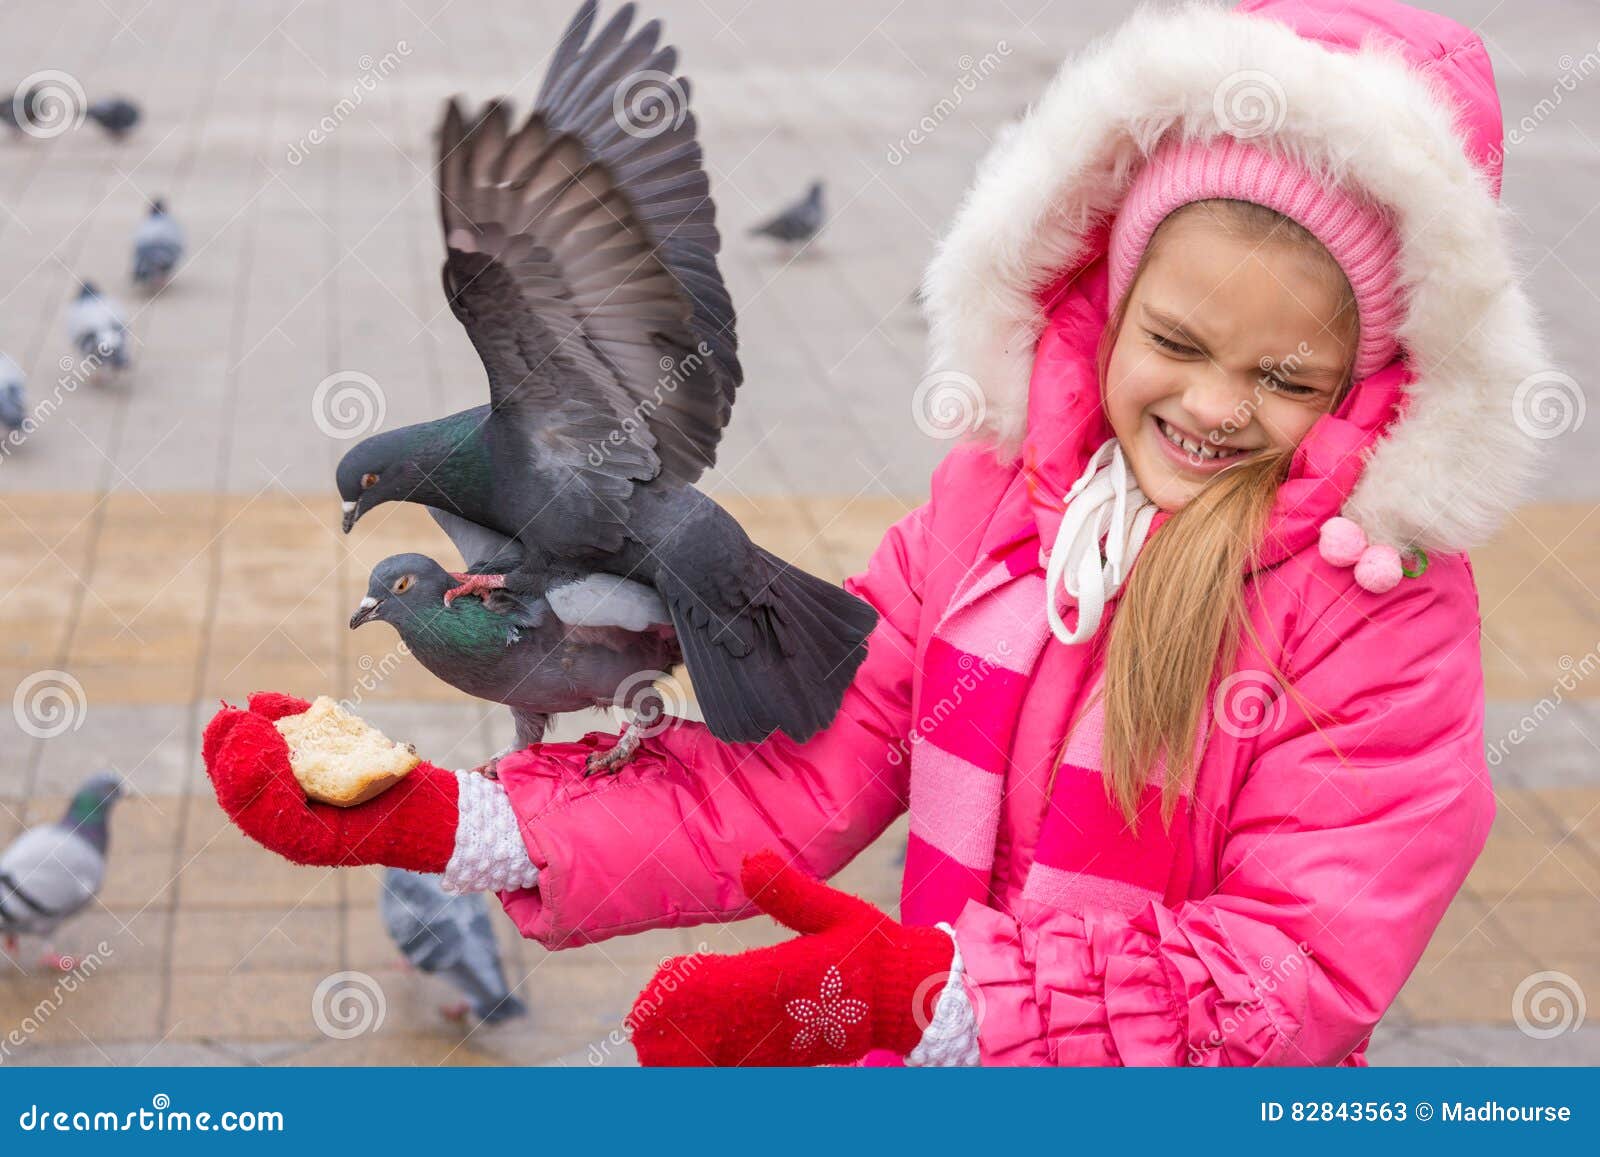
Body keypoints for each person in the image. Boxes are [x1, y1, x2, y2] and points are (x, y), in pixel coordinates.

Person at [203, 0, 1554, 1066]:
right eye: (1179, 341)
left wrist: (941, 999)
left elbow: (1292, 976)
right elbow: (790, 772)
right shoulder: (990, 519)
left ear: (1368, 379)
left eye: (1284, 376)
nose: (1212, 405)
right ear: (1107, 298)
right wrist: (471, 820)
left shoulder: (1380, 620)